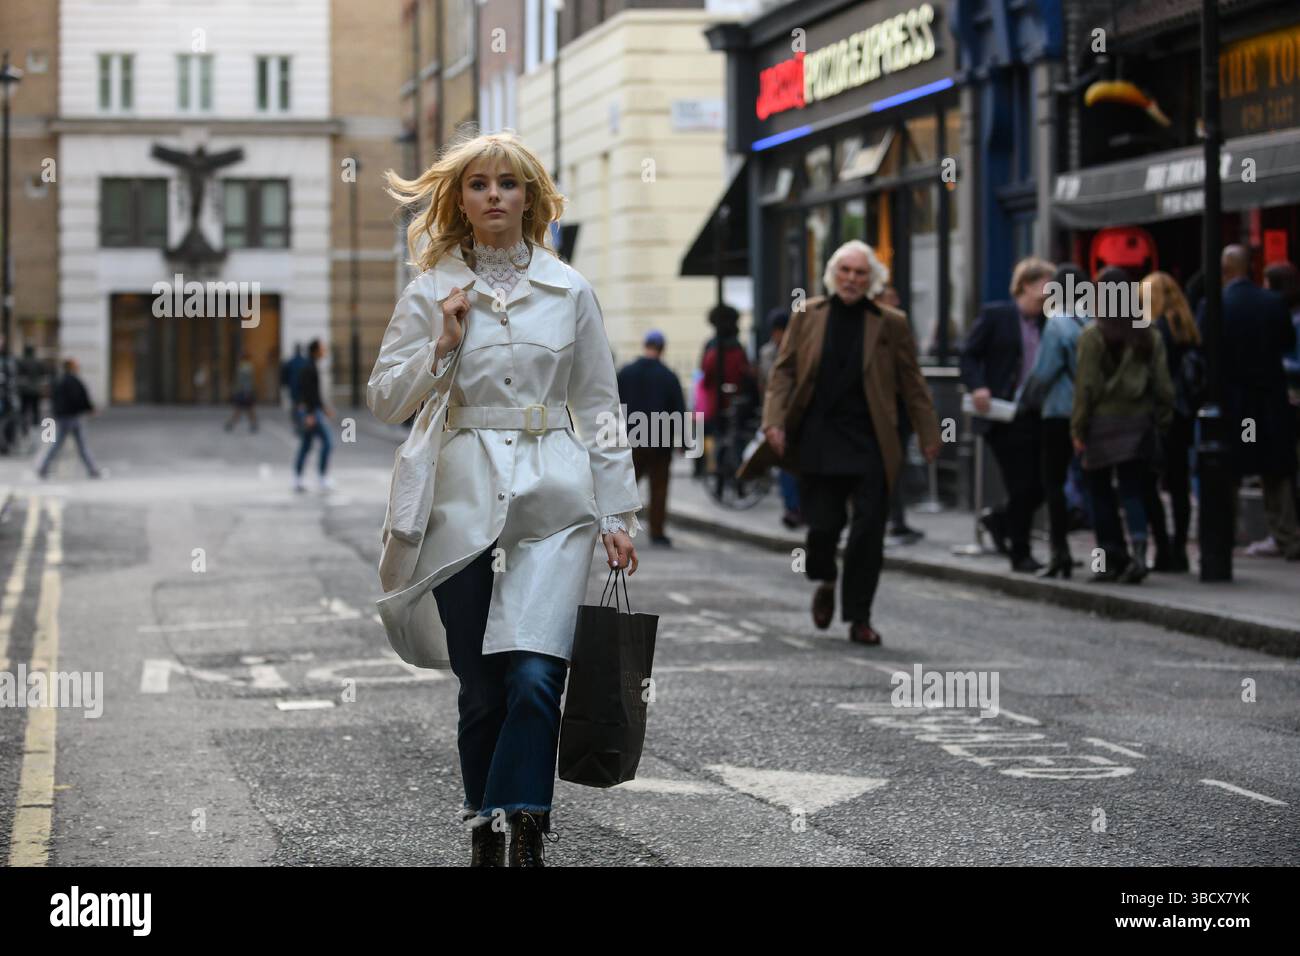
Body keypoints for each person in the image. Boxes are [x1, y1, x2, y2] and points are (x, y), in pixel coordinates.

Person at [369, 130, 642, 867]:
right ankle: (482, 817)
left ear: (531, 197)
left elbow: (599, 402)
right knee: (483, 684)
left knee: (535, 672)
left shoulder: (570, 289)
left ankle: (525, 816)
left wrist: (619, 512)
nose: (494, 195)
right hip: (458, 500)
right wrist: (443, 343)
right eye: (479, 184)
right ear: (459, 200)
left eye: (508, 184)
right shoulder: (430, 292)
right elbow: (385, 398)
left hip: (555, 499)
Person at [762, 239, 940, 645]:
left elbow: (913, 382)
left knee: (868, 533)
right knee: (822, 529)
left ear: (871, 279)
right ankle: (825, 578)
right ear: (833, 274)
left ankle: (859, 616)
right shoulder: (807, 314)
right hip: (819, 439)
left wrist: (929, 432)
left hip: (872, 442)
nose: (852, 279)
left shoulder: (890, 322)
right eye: (845, 271)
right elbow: (783, 371)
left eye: (861, 273)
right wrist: (774, 420)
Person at [1072, 267, 1175, 583]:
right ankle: (1141, 555)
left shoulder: (1093, 335)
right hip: (1139, 422)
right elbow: (1164, 387)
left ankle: (1109, 559)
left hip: (1102, 423)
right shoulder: (1148, 333)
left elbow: (1086, 387)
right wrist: (1162, 421)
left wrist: (1078, 428)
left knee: (1099, 493)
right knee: (1133, 491)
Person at [960, 256, 1056, 571]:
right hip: (1003, 416)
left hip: (1037, 413)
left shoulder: (1049, 322)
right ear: (1026, 285)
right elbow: (969, 356)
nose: (1050, 291)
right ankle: (1020, 553)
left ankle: (999, 520)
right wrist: (978, 387)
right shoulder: (996, 316)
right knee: (1021, 484)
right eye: (1045, 284)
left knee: (1041, 484)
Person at [1204, 246, 1299, 559]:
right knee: (1276, 468)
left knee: (1230, 466)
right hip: (1269, 402)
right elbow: (1285, 342)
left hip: (1237, 405)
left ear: (1224, 270)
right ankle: (1287, 536)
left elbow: (1208, 351)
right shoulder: (1273, 303)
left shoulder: (1215, 305)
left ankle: (1224, 536)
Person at [1022, 263, 1090, 578]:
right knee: (1095, 483)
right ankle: (1108, 556)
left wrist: (1024, 400)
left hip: (1059, 414)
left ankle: (1059, 553)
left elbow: (1044, 372)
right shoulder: (1094, 320)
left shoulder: (1058, 323)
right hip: (1092, 412)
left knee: (1054, 483)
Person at [1141, 271, 1201, 571]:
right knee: (1179, 485)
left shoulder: (1153, 330)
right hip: (1184, 416)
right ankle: (1180, 549)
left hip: (1157, 416)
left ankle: (1163, 547)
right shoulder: (1187, 329)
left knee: (1148, 482)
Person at [616, 329, 685, 546]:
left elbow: (612, 404)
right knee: (659, 488)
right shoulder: (669, 376)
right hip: (659, 441)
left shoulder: (625, 373)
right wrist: (683, 440)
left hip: (631, 439)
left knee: (627, 485)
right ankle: (657, 532)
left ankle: (618, 528)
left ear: (644, 345)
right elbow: (679, 410)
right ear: (662, 349)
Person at [877, 284, 924, 545]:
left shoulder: (899, 326)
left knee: (895, 466)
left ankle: (894, 520)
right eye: (890, 296)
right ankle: (891, 520)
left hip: (900, 410)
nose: (896, 300)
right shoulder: (876, 328)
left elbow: (912, 374)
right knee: (889, 467)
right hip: (884, 411)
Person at [758, 307, 802, 528]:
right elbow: (769, 383)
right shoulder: (767, 352)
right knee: (784, 463)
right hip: (778, 416)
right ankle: (792, 507)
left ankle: (802, 506)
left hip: (799, 415)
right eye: (776, 331)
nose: (778, 336)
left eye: (781, 331)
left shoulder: (800, 348)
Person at [36, 358, 102, 479]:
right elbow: (81, 398)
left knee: (57, 445)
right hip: (73, 417)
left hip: (63, 417)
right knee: (81, 446)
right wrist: (89, 409)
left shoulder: (59, 381)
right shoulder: (75, 381)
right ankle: (93, 470)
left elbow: (53, 398)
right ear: (71, 367)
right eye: (76, 366)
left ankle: (43, 468)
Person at [294, 339, 334, 492]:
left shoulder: (310, 366)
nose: (324, 351)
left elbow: (311, 394)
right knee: (327, 443)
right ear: (316, 350)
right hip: (312, 413)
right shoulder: (309, 368)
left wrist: (324, 409)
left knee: (306, 445)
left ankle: (298, 479)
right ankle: (322, 478)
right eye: (322, 348)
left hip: (312, 411)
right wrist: (310, 414)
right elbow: (307, 393)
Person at [225, 351, 259, 432]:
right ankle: (252, 425)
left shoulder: (244, 367)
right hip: (245, 392)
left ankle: (231, 424)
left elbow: (245, 381)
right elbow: (246, 381)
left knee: (241, 409)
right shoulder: (247, 367)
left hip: (243, 392)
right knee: (247, 409)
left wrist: (245, 392)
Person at [281, 343, 310, 434]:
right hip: (303, 389)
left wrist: (285, 385)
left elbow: (284, 376)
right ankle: (302, 424)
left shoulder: (290, 362)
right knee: (302, 407)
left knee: (295, 407)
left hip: (294, 388)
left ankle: (297, 425)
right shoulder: (305, 361)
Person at [16, 345, 45, 433]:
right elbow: (43, 374)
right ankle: (35, 427)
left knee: (24, 410)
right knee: (35, 410)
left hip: (24, 390)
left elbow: (18, 375)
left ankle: (24, 428)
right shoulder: (38, 362)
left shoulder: (21, 361)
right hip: (35, 390)